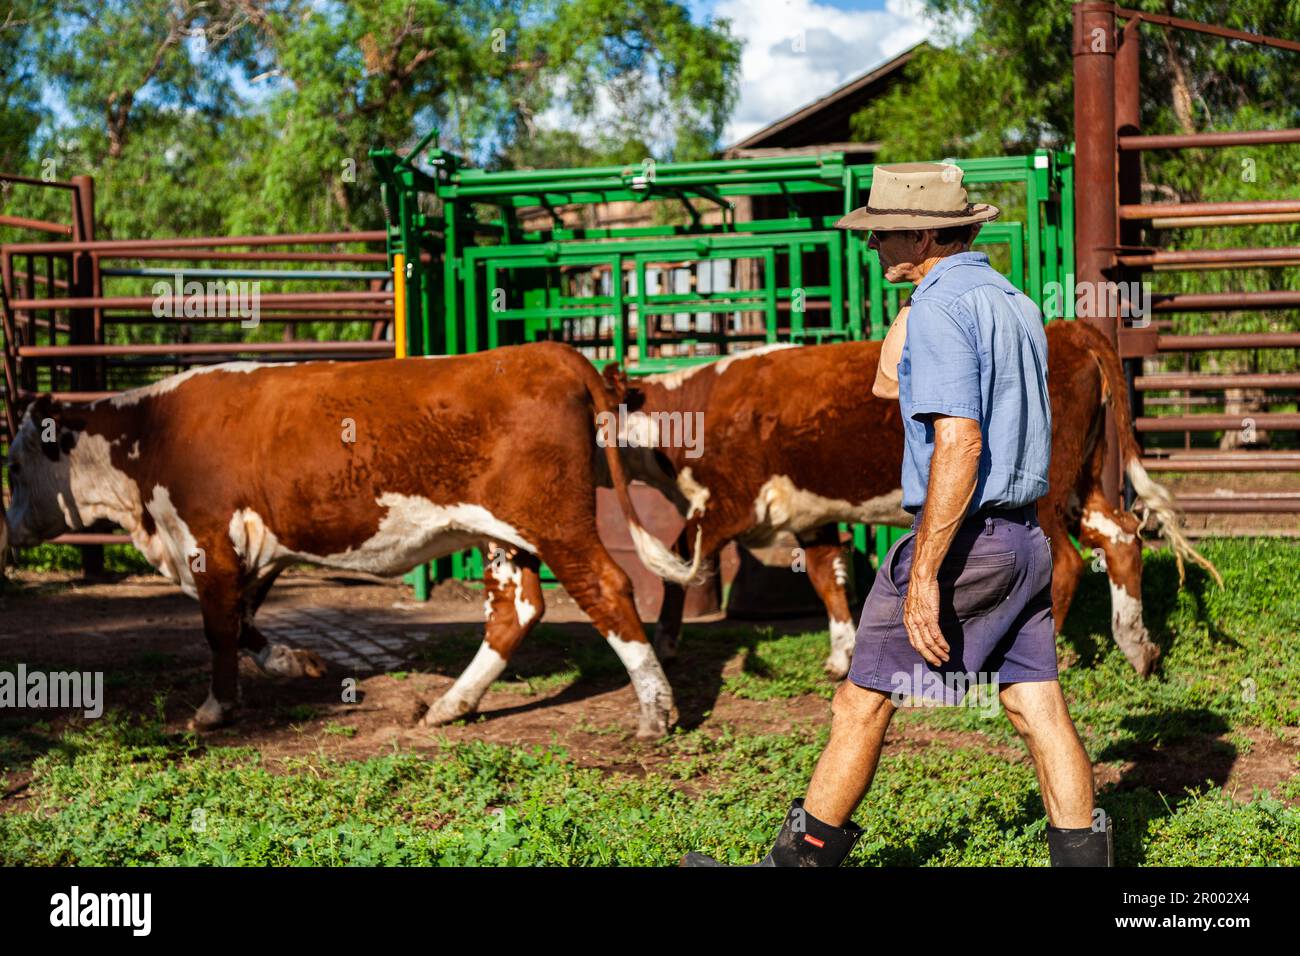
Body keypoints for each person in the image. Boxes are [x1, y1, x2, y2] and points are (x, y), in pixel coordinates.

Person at [683, 162, 1112, 867]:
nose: (871, 246)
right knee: (1036, 705)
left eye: (882, 235)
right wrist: (913, 300)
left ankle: (793, 865)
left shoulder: (943, 309)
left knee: (861, 703)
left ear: (920, 234)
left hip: (964, 538)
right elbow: (890, 384)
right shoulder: (1012, 301)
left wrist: (925, 576)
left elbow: (960, 440)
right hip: (1024, 539)